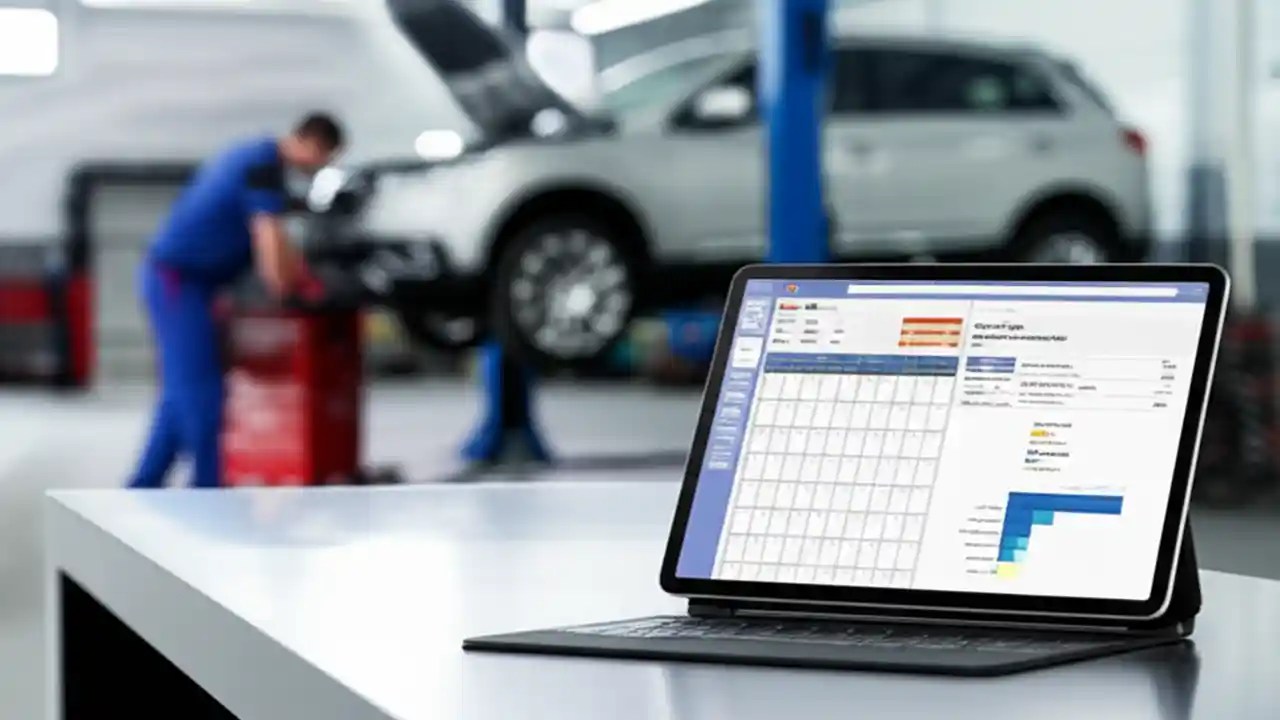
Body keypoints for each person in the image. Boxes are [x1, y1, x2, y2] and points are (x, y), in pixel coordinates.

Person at [128, 113, 345, 489]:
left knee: (179, 397)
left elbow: (279, 240)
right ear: (312, 143)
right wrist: (288, 291)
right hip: (178, 283)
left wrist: (302, 275)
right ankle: (210, 494)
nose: (320, 168)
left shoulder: (259, 160)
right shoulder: (262, 166)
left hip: (187, 286)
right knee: (203, 395)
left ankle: (141, 488)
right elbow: (268, 238)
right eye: (324, 158)